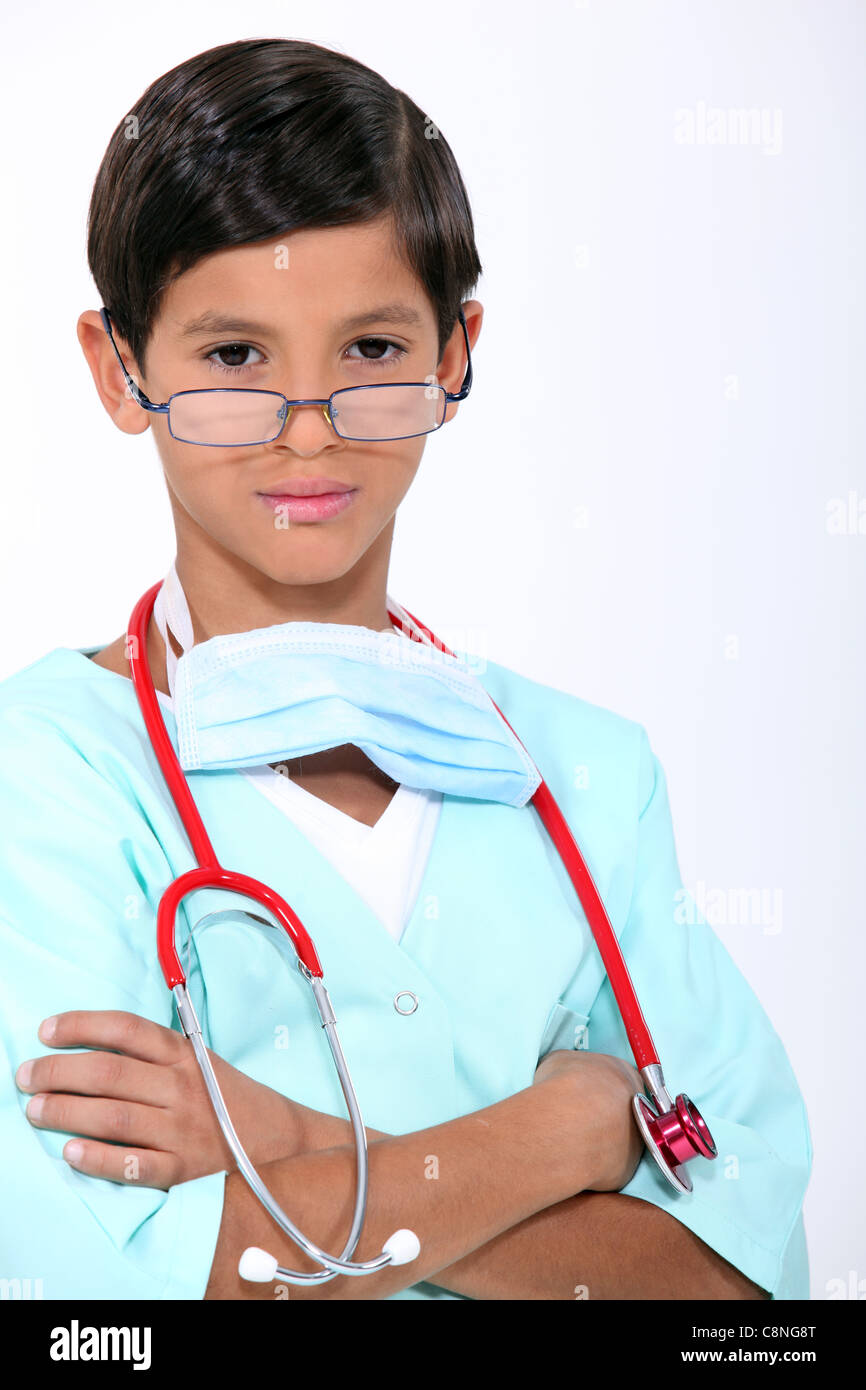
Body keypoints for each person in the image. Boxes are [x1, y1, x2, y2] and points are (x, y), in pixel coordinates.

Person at [0, 37, 810, 1301]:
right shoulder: (42, 777)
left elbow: (735, 1300)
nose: (308, 425)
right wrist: (555, 1137)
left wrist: (284, 1147)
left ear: (452, 354)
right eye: (232, 358)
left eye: (372, 350)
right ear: (119, 371)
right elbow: (102, 1308)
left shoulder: (589, 773)